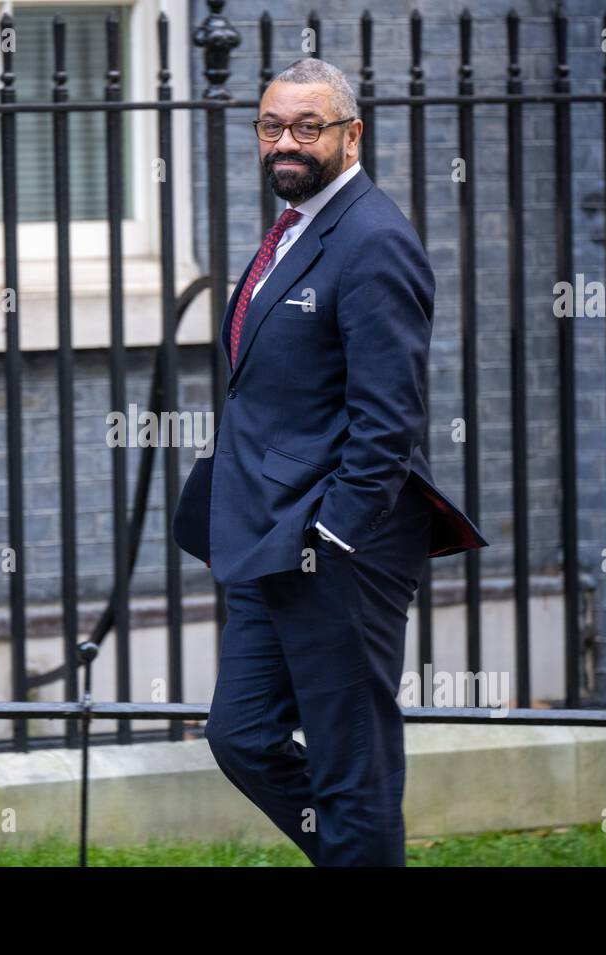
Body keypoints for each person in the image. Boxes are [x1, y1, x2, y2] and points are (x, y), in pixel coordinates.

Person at [171, 58, 488, 866]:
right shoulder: (295, 229)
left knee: (354, 769)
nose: (287, 141)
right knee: (241, 736)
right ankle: (354, 853)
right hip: (264, 539)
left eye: (308, 126)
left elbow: (388, 419)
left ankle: (358, 847)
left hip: (339, 547)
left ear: (351, 134)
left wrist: (336, 533)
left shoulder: (374, 239)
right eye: (272, 125)